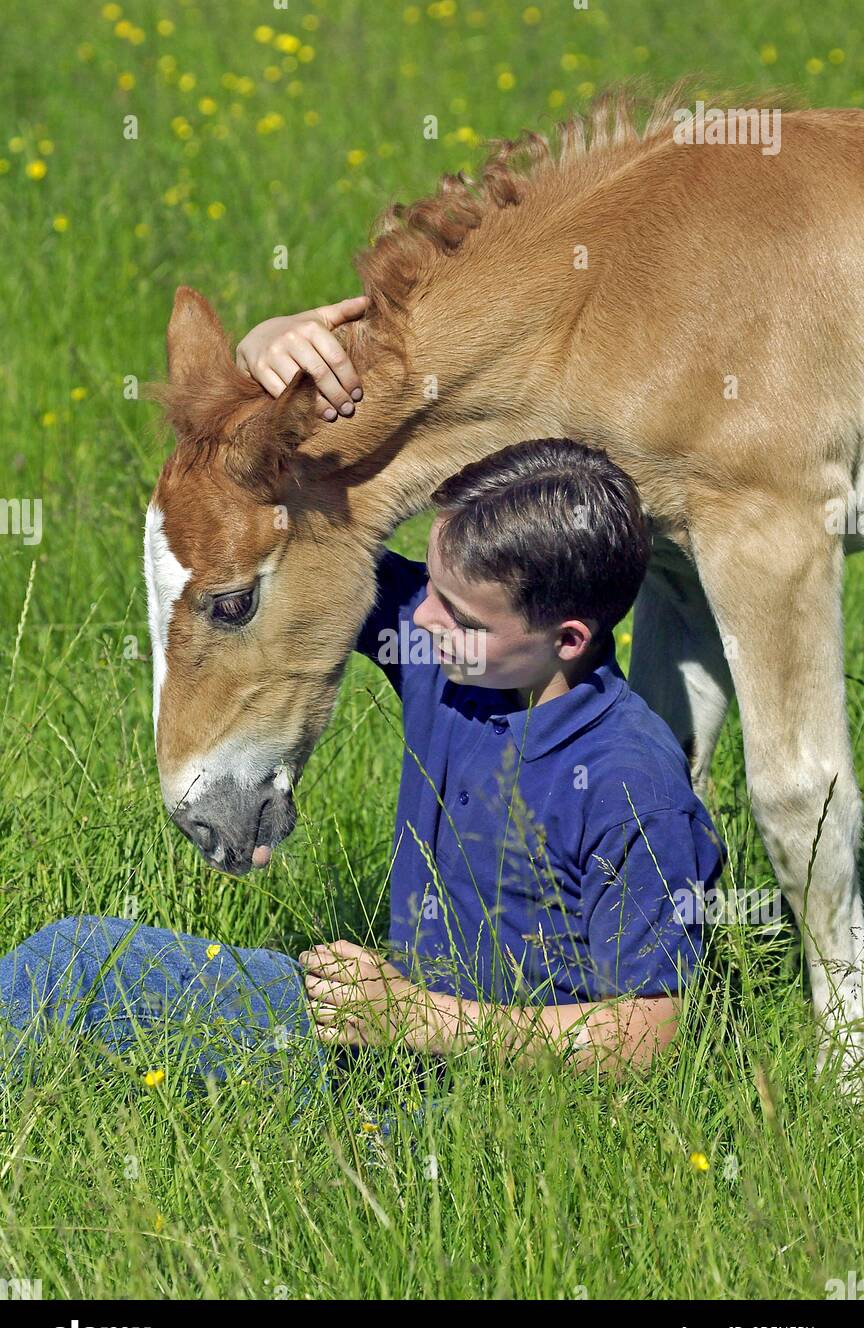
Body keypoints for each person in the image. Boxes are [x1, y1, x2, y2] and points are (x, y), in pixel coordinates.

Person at [0, 300, 726, 1114]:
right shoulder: (448, 656)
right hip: (379, 1032)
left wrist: (421, 1021)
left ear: (566, 638)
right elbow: (313, 551)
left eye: (457, 611)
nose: (415, 616)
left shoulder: (635, 783)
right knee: (67, 961)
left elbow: (652, 1034)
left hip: (493, 1095)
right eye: (432, 587)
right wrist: (265, 352)